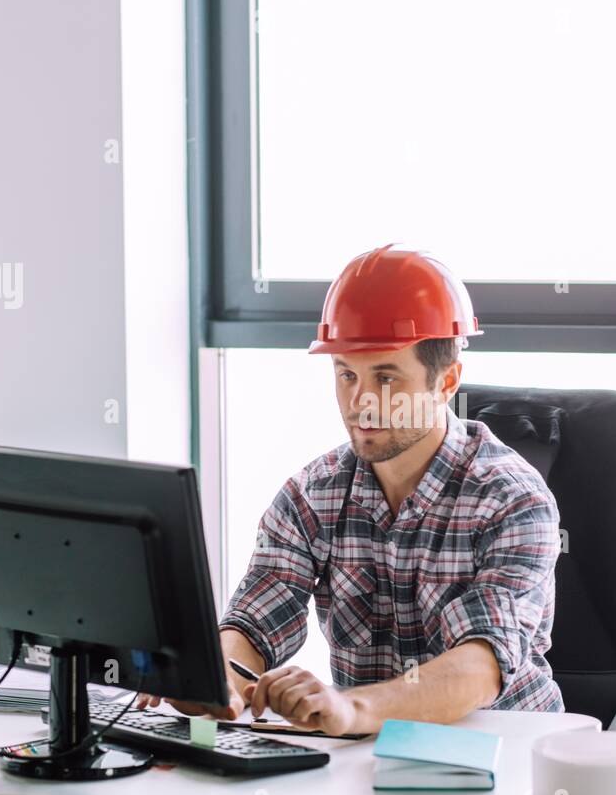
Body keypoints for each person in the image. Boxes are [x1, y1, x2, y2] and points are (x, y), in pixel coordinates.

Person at [140, 244, 564, 736]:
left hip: (503, 754)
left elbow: (479, 669)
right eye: (346, 374)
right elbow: (255, 619)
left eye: (385, 377)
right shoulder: (311, 496)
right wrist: (213, 677)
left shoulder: (512, 500)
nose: (359, 401)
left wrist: (352, 709)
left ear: (446, 380)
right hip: (368, 760)